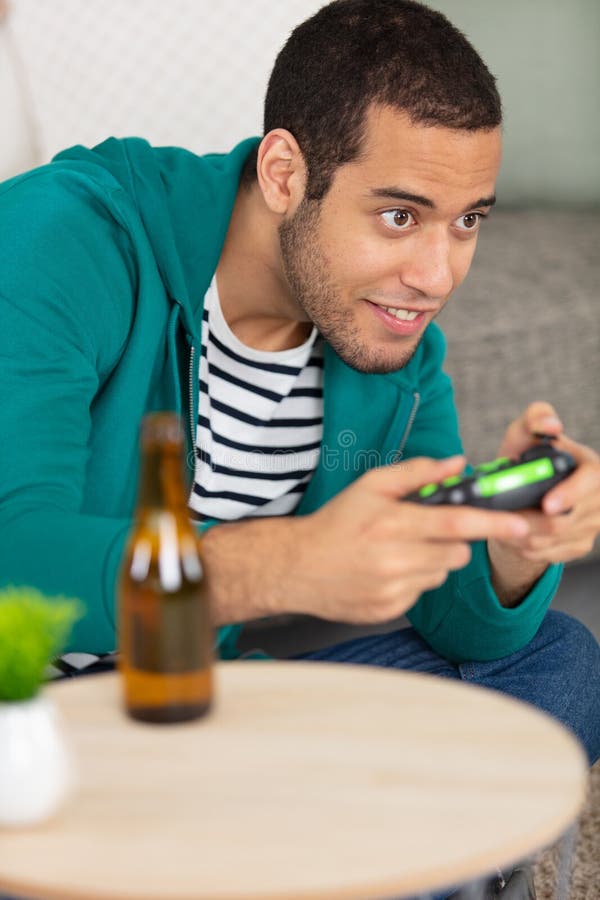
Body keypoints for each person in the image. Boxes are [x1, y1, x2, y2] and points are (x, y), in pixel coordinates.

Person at [0, 3, 598, 892]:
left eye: (467, 221)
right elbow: (17, 555)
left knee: (558, 661)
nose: (437, 276)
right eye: (400, 217)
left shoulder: (389, 340)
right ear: (285, 171)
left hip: (218, 698)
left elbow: (454, 615)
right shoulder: (63, 238)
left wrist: (514, 550)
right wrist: (282, 565)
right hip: (39, 711)